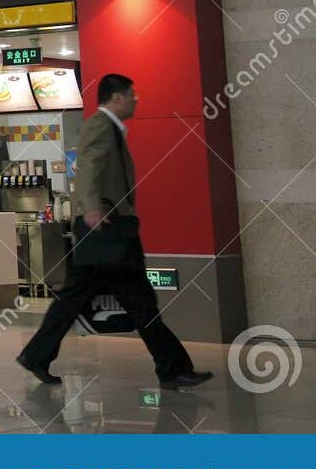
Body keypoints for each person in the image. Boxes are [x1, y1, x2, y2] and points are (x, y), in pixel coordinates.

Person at [16, 75, 212, 389]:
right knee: (137, 301)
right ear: (117, 97)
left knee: (82, 299)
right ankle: (172, 368)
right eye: (132, 95)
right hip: (106, 230)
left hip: (107, 230)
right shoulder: (100, 126)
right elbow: (90, 164)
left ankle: (37, 355)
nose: (136, 100)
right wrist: (91, 207)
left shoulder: (111, 129)